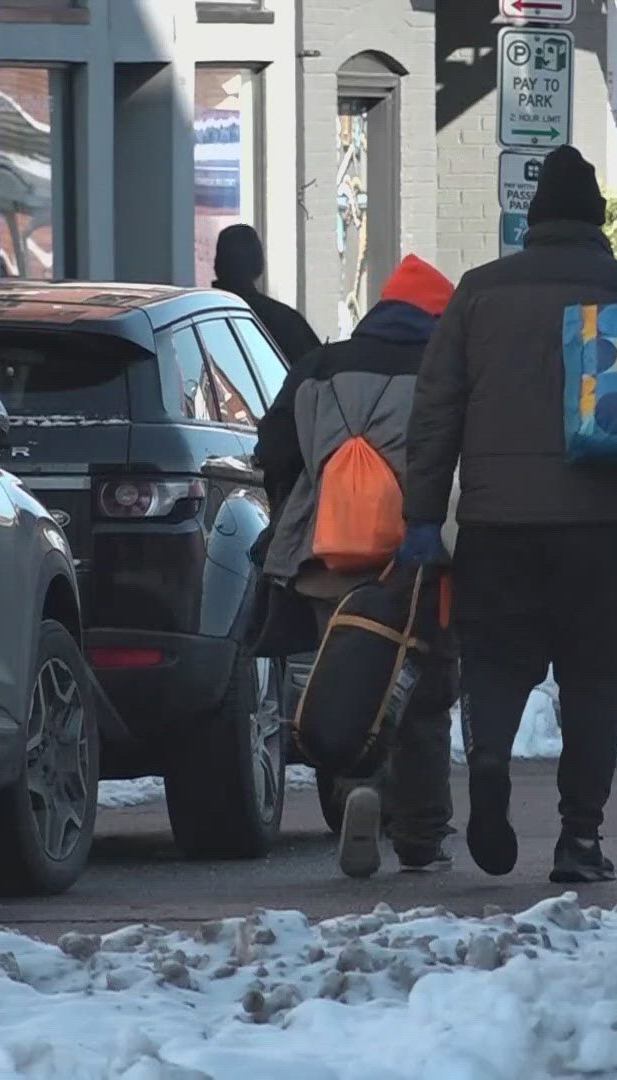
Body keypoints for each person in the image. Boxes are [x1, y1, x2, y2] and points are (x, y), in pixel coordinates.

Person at [400, 146, 617, 885]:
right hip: (604, 533)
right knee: (594, 685)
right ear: (599, 221)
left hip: (497, 529)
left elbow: (435, 411)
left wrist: (424, 515)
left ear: (535, 219)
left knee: (491, 664)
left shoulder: (478, 293)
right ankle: (579, 839)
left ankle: (488, 758)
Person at [257, 254, 459, 879]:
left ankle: (353, 799)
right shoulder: (445, 372)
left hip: (329, 558)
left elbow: (273, 451)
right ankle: (422, 834)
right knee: (423, 696)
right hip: (419, 561)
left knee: (344, 683)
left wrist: (304, 507)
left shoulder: (318, 367)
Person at [213, 224, 322, 365]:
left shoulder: (199, 315)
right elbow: (318, 372)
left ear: (217, 264)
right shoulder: (284, 321)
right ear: (258, 264)